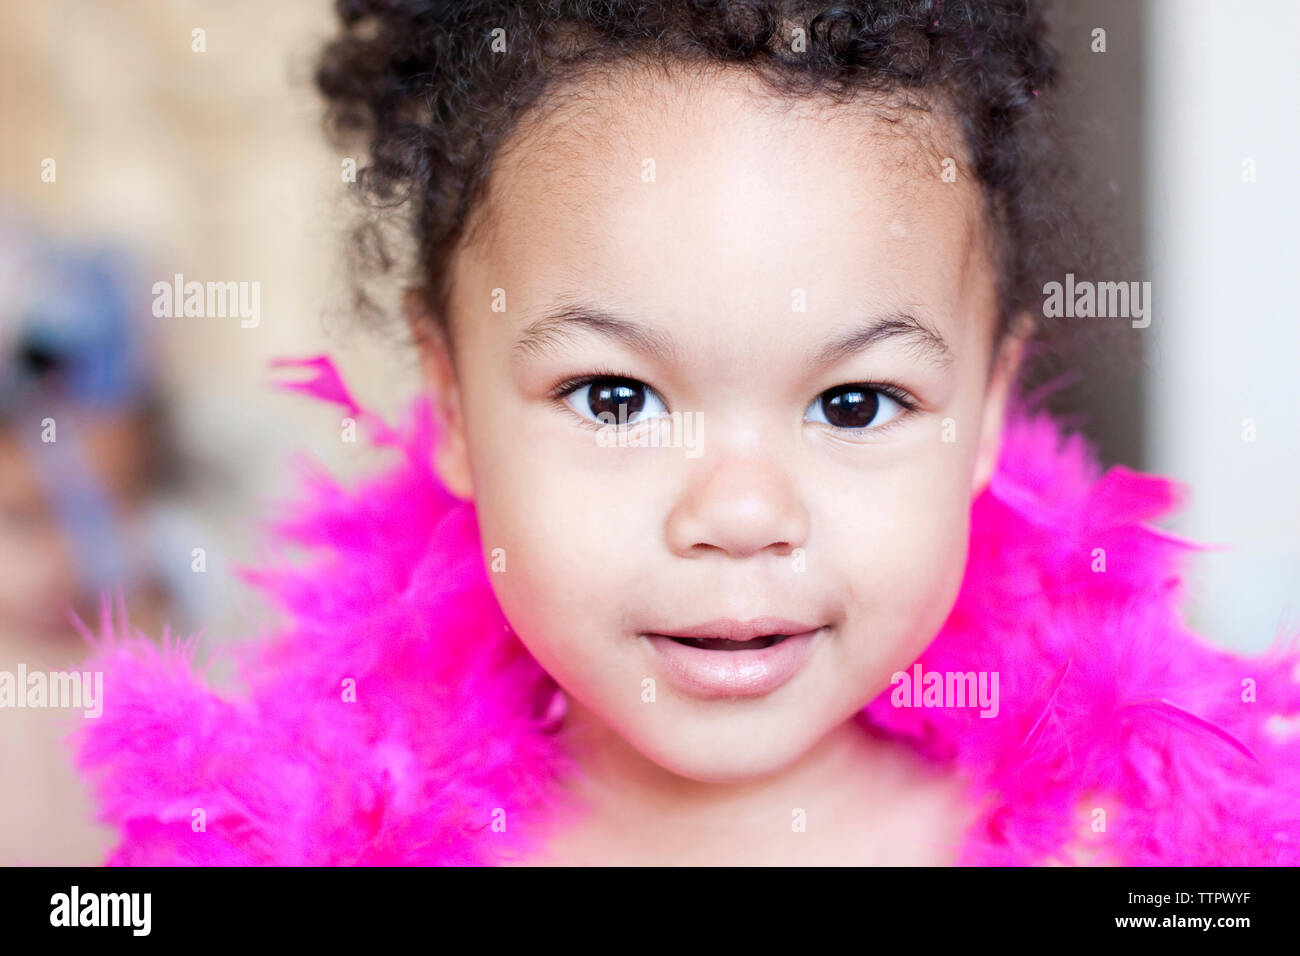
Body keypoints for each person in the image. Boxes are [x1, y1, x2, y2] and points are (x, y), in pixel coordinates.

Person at [71, 0, 1300, 865]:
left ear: (987, 408)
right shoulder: (309, 843)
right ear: (448, 402)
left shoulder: (1127, 856)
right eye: (615, 395)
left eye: (854, 402)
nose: (739, 513)